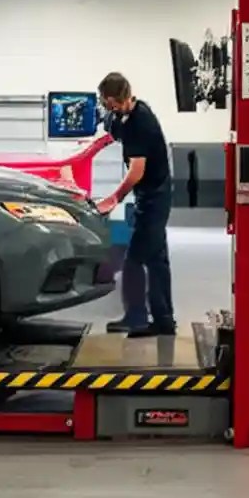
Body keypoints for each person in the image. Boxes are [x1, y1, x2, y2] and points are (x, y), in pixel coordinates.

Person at [95, 72, 176, 338]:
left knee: (133, 259)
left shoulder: (141, 123)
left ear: (113, 100)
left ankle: (137, 319)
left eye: (107, 104)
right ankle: (164, 321)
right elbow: (114, 127)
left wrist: (113, 198)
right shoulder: (130, 112)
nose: (107, 109)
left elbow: (136, 172)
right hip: (154, 193)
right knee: (157, 259)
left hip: (153, 196)